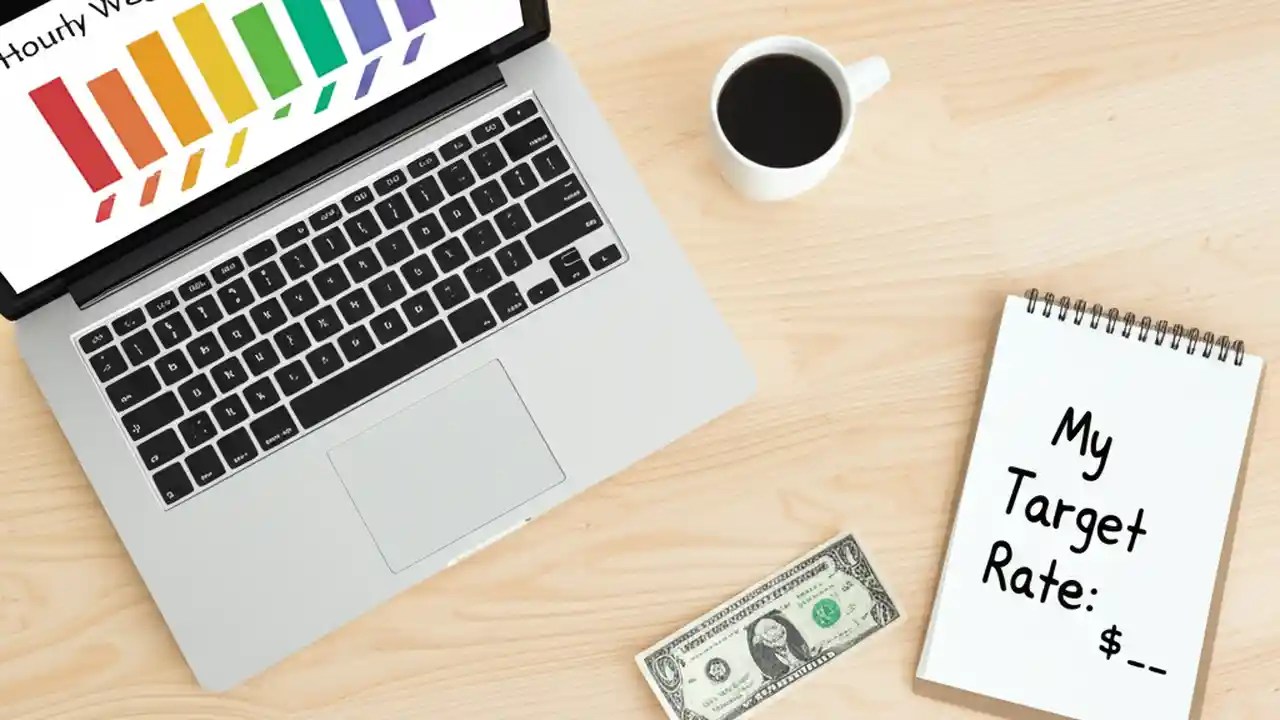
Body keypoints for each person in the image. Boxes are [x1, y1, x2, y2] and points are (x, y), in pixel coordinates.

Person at [746, 612, 813, 681]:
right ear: (764, 642)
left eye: (781, 633)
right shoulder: (770, 666)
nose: (776, 632)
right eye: (774, 639)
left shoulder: (801, 648)